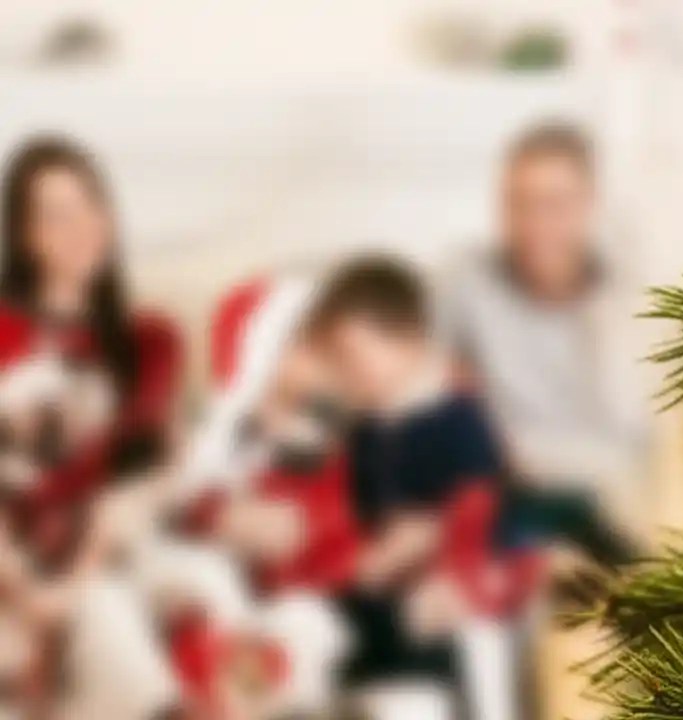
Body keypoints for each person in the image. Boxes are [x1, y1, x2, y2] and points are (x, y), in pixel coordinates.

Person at [440, 123, 649, 718]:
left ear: (588, 207)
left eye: (554, 204)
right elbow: (429, 391)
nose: (534, 224)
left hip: (606, 496)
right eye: (517, 204)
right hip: (503, 495)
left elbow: (636, 432)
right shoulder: (464, 283)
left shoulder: (626, 297)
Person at [308, 256, 540, 720]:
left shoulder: (459, 419)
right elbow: (353, 522)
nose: (345, 374)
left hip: (463, 589)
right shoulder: (363, 434)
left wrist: (439, 541)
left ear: (410, 342)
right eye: (336, 361)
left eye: (353, 356)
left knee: (473, 629)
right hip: (387, 606)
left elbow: (495, 512)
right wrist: (370, 558)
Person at [0, 137, 183, 718]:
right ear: (26, 237)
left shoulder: (149, 342)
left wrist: (72, 586)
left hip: (95, 565)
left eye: (90, 205)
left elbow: (135, 485)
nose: (80, 226)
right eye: (55, 215)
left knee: (109, 615)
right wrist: (21, 586)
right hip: (7, 561)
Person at [173, 276, 362, 717]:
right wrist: (218, 518)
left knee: (306, 628)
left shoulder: (331, 443)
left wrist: (303, 528)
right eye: (304, 347)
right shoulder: (209, 441)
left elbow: (343, 535)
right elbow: (174, 508)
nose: (319, 368)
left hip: (299, 605)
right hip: (212, 607)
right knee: (202, 602)